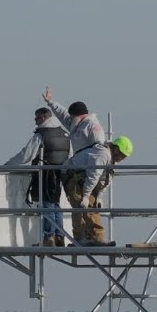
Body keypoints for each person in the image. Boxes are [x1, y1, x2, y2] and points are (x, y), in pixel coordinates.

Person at [44, 87, 114, 246]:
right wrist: (51, 103)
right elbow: (62, 115)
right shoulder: (76, 124)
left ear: (78, 115)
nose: (69, 118)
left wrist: (92, 193)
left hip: (86, 172)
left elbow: (95, 168)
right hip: (75, 172)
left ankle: (95, 237)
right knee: (77, 206)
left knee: (88, 204)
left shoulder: (93, 127)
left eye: (72, 116)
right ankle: (80, 237)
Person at [5, 107, 71, 247]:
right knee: (56, 204)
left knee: (46, 204)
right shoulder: (65, 134)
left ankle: (49, 237)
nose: (35, 123)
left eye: (36, 119)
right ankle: (60, 236)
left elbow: (26, 155)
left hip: (45, 173)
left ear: (43, 117)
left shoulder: (41, 134)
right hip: (60, 174)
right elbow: (70, 156)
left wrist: (7, 165)